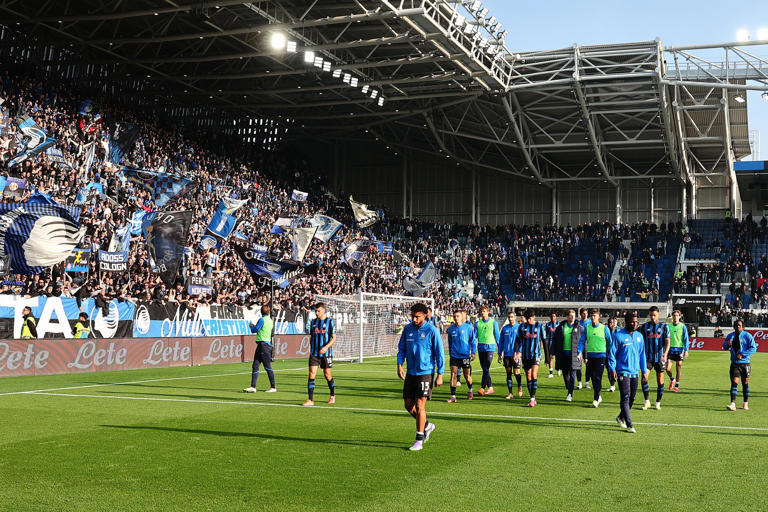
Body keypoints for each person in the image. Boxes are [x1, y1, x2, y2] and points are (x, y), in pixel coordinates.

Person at [397, 303, 444, 451]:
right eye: (412, 316)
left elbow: (439, 353)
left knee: (420, 404)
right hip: (411, 372)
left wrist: (440, 374)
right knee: (408, 405)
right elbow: (401, 349)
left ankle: (419, 439)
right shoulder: (408, 329)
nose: (414, 319)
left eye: (417, 316)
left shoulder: (432, 331)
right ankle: (427, 425)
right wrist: (399, 364)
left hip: (426, 372)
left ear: (425, 315)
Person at [608, 312, 648, 433]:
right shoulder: (618, 336)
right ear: (626, 322)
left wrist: (644, 371)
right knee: (625, 398)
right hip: (622, 372)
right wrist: (612, 369)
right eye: (632, 321)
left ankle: (621, 417)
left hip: (635, 372)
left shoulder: (639, 336)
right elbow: (612, 354)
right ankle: (630, 424)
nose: (635, 324)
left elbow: (642, 355)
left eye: (636, 322)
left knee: (632, 399)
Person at [302, 303, 337, 406]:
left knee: (327, 375)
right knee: (312, 374)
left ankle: (332, 395)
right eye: (316, 311)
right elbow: (312, 337)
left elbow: (334, 338)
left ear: (323, 311)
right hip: (314, 353)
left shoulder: (330, 322)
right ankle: (310, 399)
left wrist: (326, 347)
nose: (317, 313)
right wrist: (311, 347)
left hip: (326, 354)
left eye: (318, 311)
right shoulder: (313, 322)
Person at [577, 308, 613, 408]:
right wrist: (579, 352)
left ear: (599, 316)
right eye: (591, 316)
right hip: (590, 356)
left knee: (598, 377)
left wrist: (609, 353)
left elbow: (610, 342)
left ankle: (596, 398)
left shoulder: (604, 328)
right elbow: (581, 341)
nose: (593, 318)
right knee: (593, 377)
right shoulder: (587, 328)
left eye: (595, 316)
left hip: (601, 356)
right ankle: (598, 395)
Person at [514, 309, 549, 407]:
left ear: (534, 317)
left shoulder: (539, 326)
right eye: (527, 318)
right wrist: (515, 353)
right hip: (525, 355)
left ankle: (532, 398)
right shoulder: (522, 327)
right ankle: (532, 397)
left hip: (536, 354)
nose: (529, 320)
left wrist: (547, 357)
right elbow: (517, 340)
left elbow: (544, 341)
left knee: (534, 374)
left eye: (530, 318)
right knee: (528, 376)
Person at [639, 306, 670, 410]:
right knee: (644, 378)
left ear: (658, 315)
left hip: (660, 358)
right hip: (647, 358)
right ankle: (647, 401)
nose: (652, 317)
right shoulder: (644, 327)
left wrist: (665, 353)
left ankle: (658, 402)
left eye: (654, 315)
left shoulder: (664, 326)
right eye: (651, 315)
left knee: (660, 381)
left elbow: (667, 341)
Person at [723, 319, 758, 411]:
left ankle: (745, 403)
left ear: (743, 327)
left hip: (745, 363)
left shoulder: (747, 336)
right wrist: (727, 344)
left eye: (739, 325)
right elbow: (724, 346)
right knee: (734, 382)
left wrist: (742, 354)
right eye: (736, 325)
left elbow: (753, 348)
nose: (737, 326)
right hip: (735, 363)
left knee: (745, 383)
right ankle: (732, 404)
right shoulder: (730, 336)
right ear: (733, 327)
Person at [551, 309, 584, 402]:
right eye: (571, 315)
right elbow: (555, 340)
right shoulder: (561, 327)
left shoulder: (580, 328)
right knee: (565, 374)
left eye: (574, 315)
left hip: (574, 355)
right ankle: (569, 388)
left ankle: (570, 393)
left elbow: (583, 342)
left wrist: (583, 354)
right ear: (567, 316)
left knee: (573, 374)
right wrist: (552, 353)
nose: (572, 317)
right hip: (563, 354)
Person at [243, 305, 277, 393]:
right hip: (264, 344)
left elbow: (255, 329)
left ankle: (273, 387)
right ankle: (253, 386)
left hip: (263, 345)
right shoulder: (270, 321)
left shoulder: (262, 320)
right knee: (255, 365)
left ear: (261, 312)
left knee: (267, 366)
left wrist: (251, 326)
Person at [445, 308, 476, 402]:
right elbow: (450, 343)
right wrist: (451, 353)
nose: (456, 318)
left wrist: (473, 352)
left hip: (465, 355)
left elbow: (473, 341)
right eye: (454, 316)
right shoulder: (450, 329)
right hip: (454, 356)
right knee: (453, 375)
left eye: (457, 316)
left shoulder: (468, 327)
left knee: (467, 376)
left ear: (462, 317)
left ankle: (470, 390)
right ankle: (453, 396)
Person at [475, 305, 499, 396]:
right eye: (481, 311)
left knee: (486, 368)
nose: (482, 313)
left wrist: (500, 350)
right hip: (481, 348)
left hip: (490, 347)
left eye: (484, 311)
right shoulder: (478, 323)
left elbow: (497, 336)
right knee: (485, 369)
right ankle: (490, 387)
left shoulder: (493, 323)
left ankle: (482, 388)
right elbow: (474, 337)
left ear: (488, 312)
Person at [498, 310, 523, 399]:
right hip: (507, 355)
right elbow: (501, 342)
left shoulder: (519, 327)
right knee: (508, 373)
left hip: (515, 355)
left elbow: (522, 342)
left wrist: (519, 352)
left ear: (515, 317)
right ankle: (510, 393)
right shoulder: (505, 328)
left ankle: (519, 386)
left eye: (512, 317)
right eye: (509, 317)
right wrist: (499, 353)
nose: (510, 319)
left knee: (517, 373)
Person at [665, 310, 690, 392]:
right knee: (667, 368)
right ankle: (672, 379)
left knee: (678, 367)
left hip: (679, 349)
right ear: (672, 317)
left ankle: (677, 386)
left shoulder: (683, 327)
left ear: (680, 316)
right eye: (674, 315)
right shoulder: (668, 326)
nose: (675, 317)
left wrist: (686, 350)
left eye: (677, 315)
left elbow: (686, 339)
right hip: (670, 349)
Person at [577, 308, 589, 389]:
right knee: (579, 365)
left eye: (586, 313)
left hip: (588, 346)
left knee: (588, 365)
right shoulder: (578, 323)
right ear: (580, 314)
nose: (584, 315)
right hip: (580, 346)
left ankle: (587, 382)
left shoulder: (590, 323)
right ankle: (579, 382)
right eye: (583, 313)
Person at [606, 317, 618, 392]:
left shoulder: (618, 331)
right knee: (609, 369)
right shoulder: (606, 330)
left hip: (616, 354)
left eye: (612, 322)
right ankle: (612, 385)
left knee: (618, 370)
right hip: (607, 353)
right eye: (609, 323)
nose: (611, 324)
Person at [545, 312, 559, 378]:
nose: (552, 317)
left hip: (557, 343)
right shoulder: (547, 325)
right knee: (551, 357)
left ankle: (558, 368)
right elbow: (546, 334)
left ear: (556, 317)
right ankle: (551, 373)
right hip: (550, 343)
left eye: (554, 316)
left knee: (558, 357)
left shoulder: (559, 324)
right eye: (551, 316)